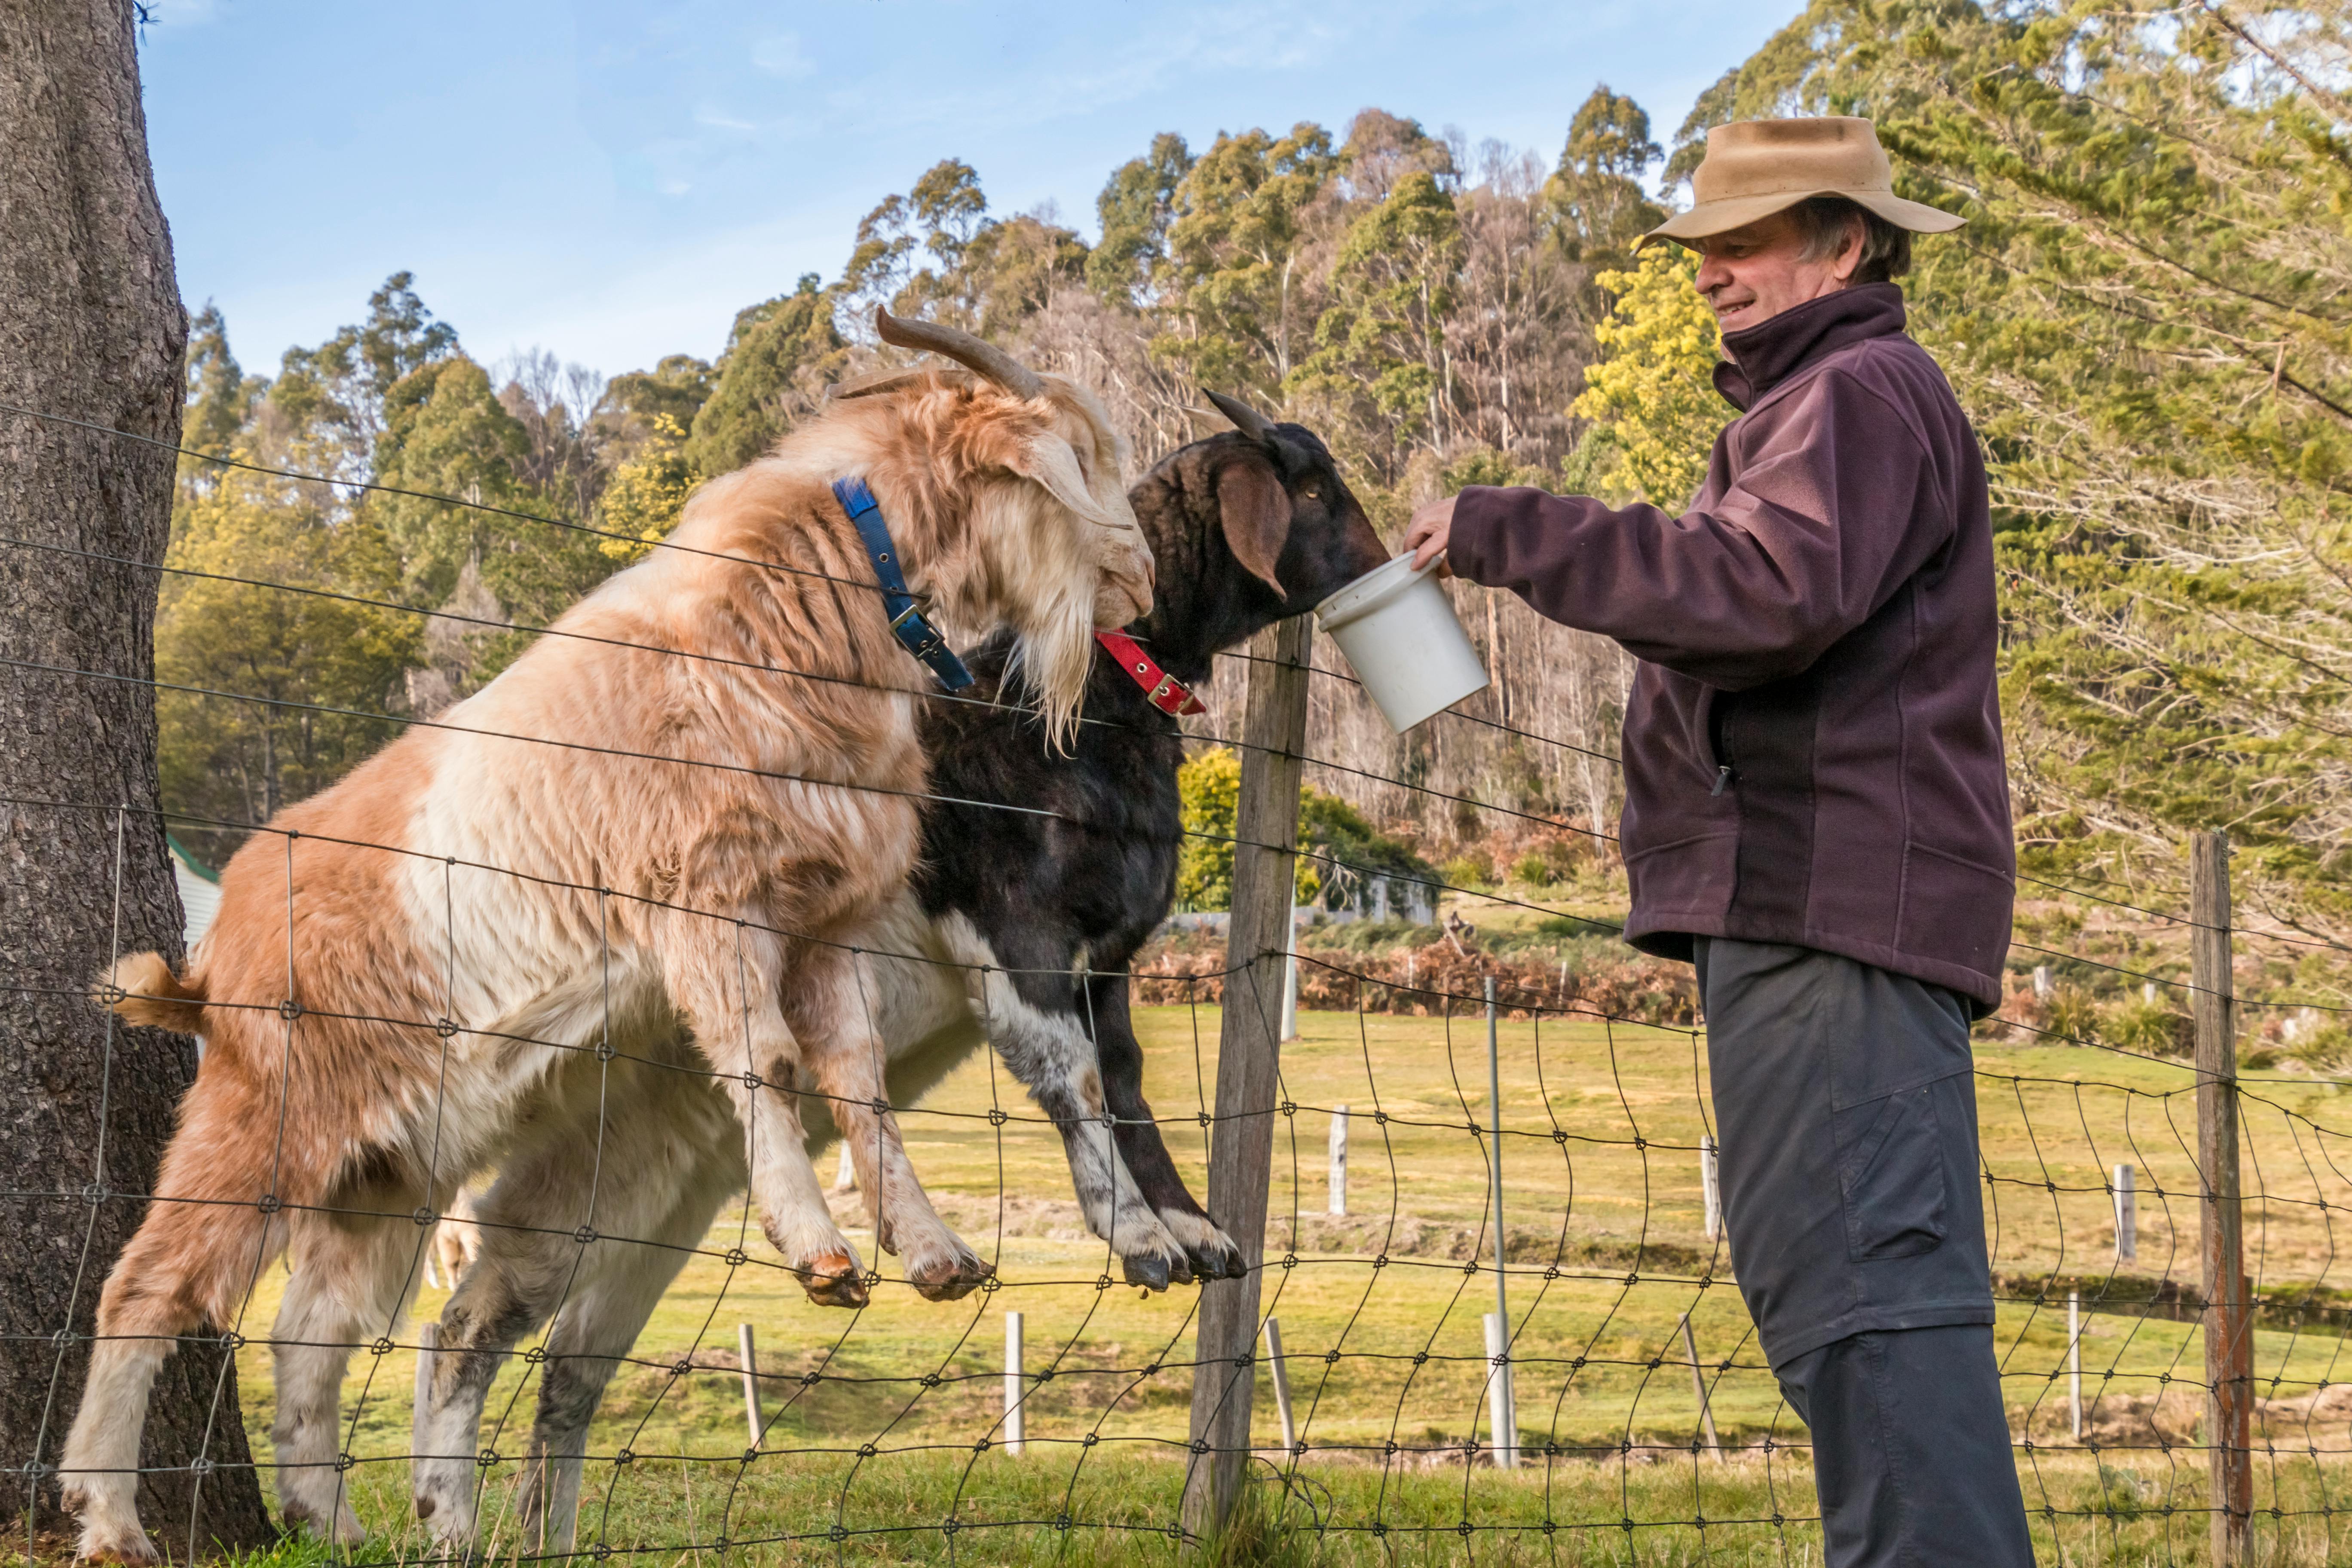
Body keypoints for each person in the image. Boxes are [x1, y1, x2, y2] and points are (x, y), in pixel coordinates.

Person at [1403, 116, 2035, 1566]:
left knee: (1875, 1329)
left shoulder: (1861, 394)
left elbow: (1762, 596)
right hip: (1816, 922)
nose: (1711, 272)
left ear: (1847, 241)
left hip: (1835, 924)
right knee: (1853, 1324)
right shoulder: (1818, 406)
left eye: (1746, 241)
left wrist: (1515, 531)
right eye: (1702, 246)